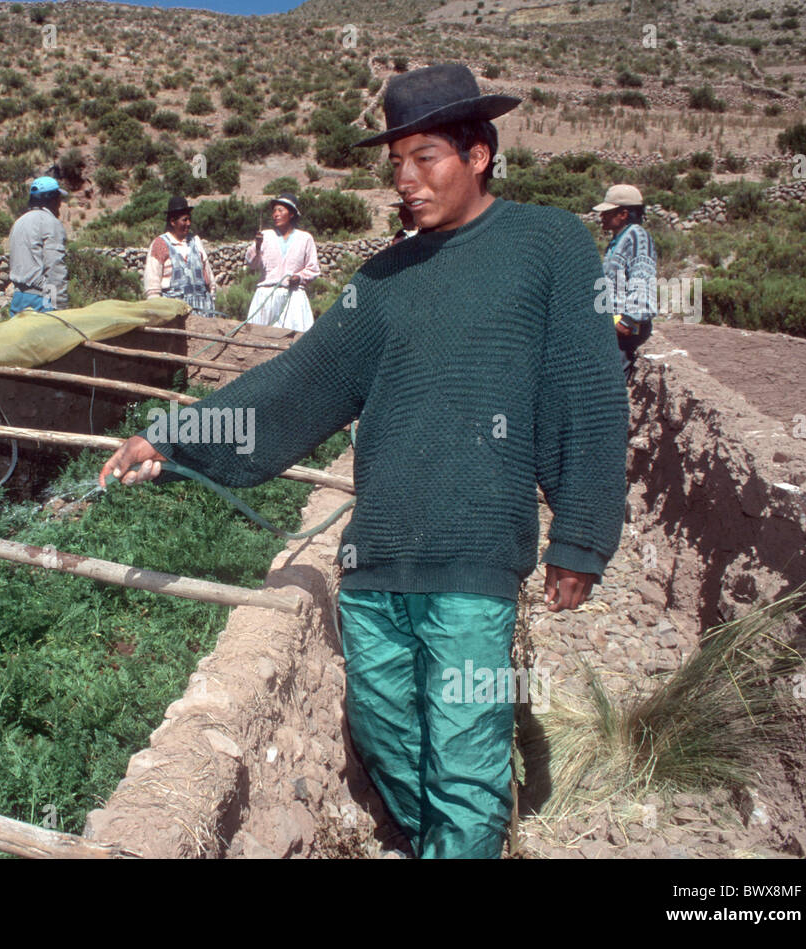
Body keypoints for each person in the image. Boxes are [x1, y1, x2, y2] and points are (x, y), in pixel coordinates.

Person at [98, 63, 628, 859]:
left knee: (464, 759)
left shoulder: (547, 244)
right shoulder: (382, 281)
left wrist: (581, 536)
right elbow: (295, 385)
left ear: (478, 153)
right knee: (385, 736)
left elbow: (587, 392)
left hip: (475, 558)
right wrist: (171, 436)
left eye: (425, 158)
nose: (406, 181)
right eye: (395, 164)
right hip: (375, 561)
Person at [594, 184, 658, 383]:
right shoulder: (619, 240)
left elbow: (643, 278)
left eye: (607, 212)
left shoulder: (637, 237)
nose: (601, 217)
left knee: (611, 385)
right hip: (614, 325)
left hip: (625, 328)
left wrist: (628, 321)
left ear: (623, 214)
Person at [243, 193, 321, 332]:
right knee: (260, 338)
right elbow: (252, 264)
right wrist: (257, 246)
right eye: (274, 211)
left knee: (294, 339)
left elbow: (313, 269)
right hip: (266, 296)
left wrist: (299, 277)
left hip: (293, 296)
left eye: (280, 211)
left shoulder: (305, 238)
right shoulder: (265, 236)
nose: (275, 215)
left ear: (291, 214)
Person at [144, 196, 217, 314]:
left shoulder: (196, 241)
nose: (189, 223)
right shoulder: (160, 244)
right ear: (173, 222)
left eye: (189, 219)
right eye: (184, 220)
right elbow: (152, 287)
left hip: (203, 310)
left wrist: (212, 298)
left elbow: (208, 276)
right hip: (174, 313)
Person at [8, 176, 69, 316]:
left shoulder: (19, 222)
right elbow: (55, 267)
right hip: (42, 298)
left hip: (18, 297)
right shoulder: (50, 223)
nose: (60, 203)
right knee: (50, 336)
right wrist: (60, 308)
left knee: (20, 337)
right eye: (59, 199)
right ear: (52, 199)